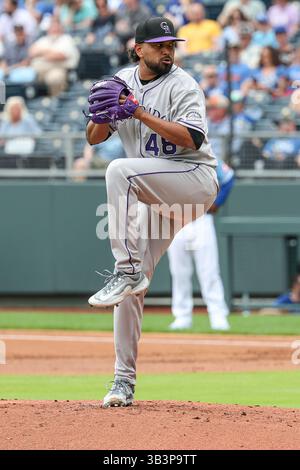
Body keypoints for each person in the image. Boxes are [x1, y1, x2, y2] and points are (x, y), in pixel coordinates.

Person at [86, 17, 219, 408]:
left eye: (171, 45)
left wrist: (138, 112)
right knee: (132, 290)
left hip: (193, 181)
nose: (168, 50)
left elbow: (192, 138)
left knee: (119, 170)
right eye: (159, 44)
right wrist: (103, 115)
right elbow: (93, 138)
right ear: (138, 47)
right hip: (154, 194)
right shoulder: (122, 80)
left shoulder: (184, 85)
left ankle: (124, 270)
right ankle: (122, 382)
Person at [168, 159, 234, 331]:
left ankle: (217, 315)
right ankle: (182, 316)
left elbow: (228, 177)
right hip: (175, 218)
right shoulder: (166, 155)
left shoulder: (205, 154)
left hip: (201, 218)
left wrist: (216, 202)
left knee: (209, 271)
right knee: (178, 272)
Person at [28, 16, 80, 96]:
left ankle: (56, 104)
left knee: (54, 78)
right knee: (26, 79)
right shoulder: (44, 39)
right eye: (52, 27)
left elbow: (61, 56)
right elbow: (31, 52)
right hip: (40, 71)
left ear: (61, 28)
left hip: (59, 69)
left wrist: (42, 53)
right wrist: (49, 53)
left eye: (56, 27)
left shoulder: (66, 39)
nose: (54, 29)